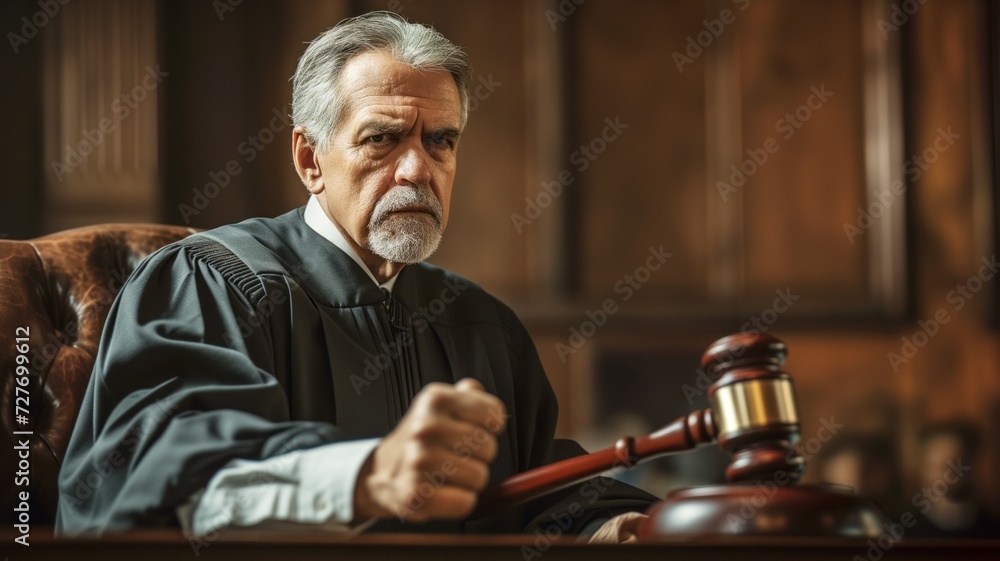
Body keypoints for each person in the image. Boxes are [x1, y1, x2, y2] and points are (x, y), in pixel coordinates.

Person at [55, 11, 654, 543]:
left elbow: (534, 491)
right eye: (383, 139)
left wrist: (609, 528)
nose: (418, 169)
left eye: (441, 141)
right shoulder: (213, 282)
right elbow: (160, 481)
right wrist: (366, 476)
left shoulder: (482, 324)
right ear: (310, 159)